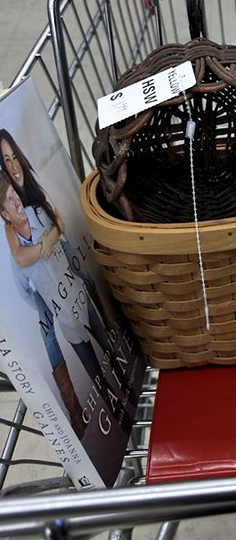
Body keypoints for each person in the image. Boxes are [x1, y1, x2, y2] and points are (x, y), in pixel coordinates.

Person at [0, 174, 129, 436]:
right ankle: (117, 412)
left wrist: (51, 238)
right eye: (10, 201)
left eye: (15, 194)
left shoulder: (37, 214)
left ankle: (127, 386)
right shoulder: (18, 263)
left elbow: (58, 221)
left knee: (108, 346)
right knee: (94, 371)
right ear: (4, 214)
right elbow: (26, 294)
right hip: (66, 320)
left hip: (79, 294)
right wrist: (47, 304)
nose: (16, 201)